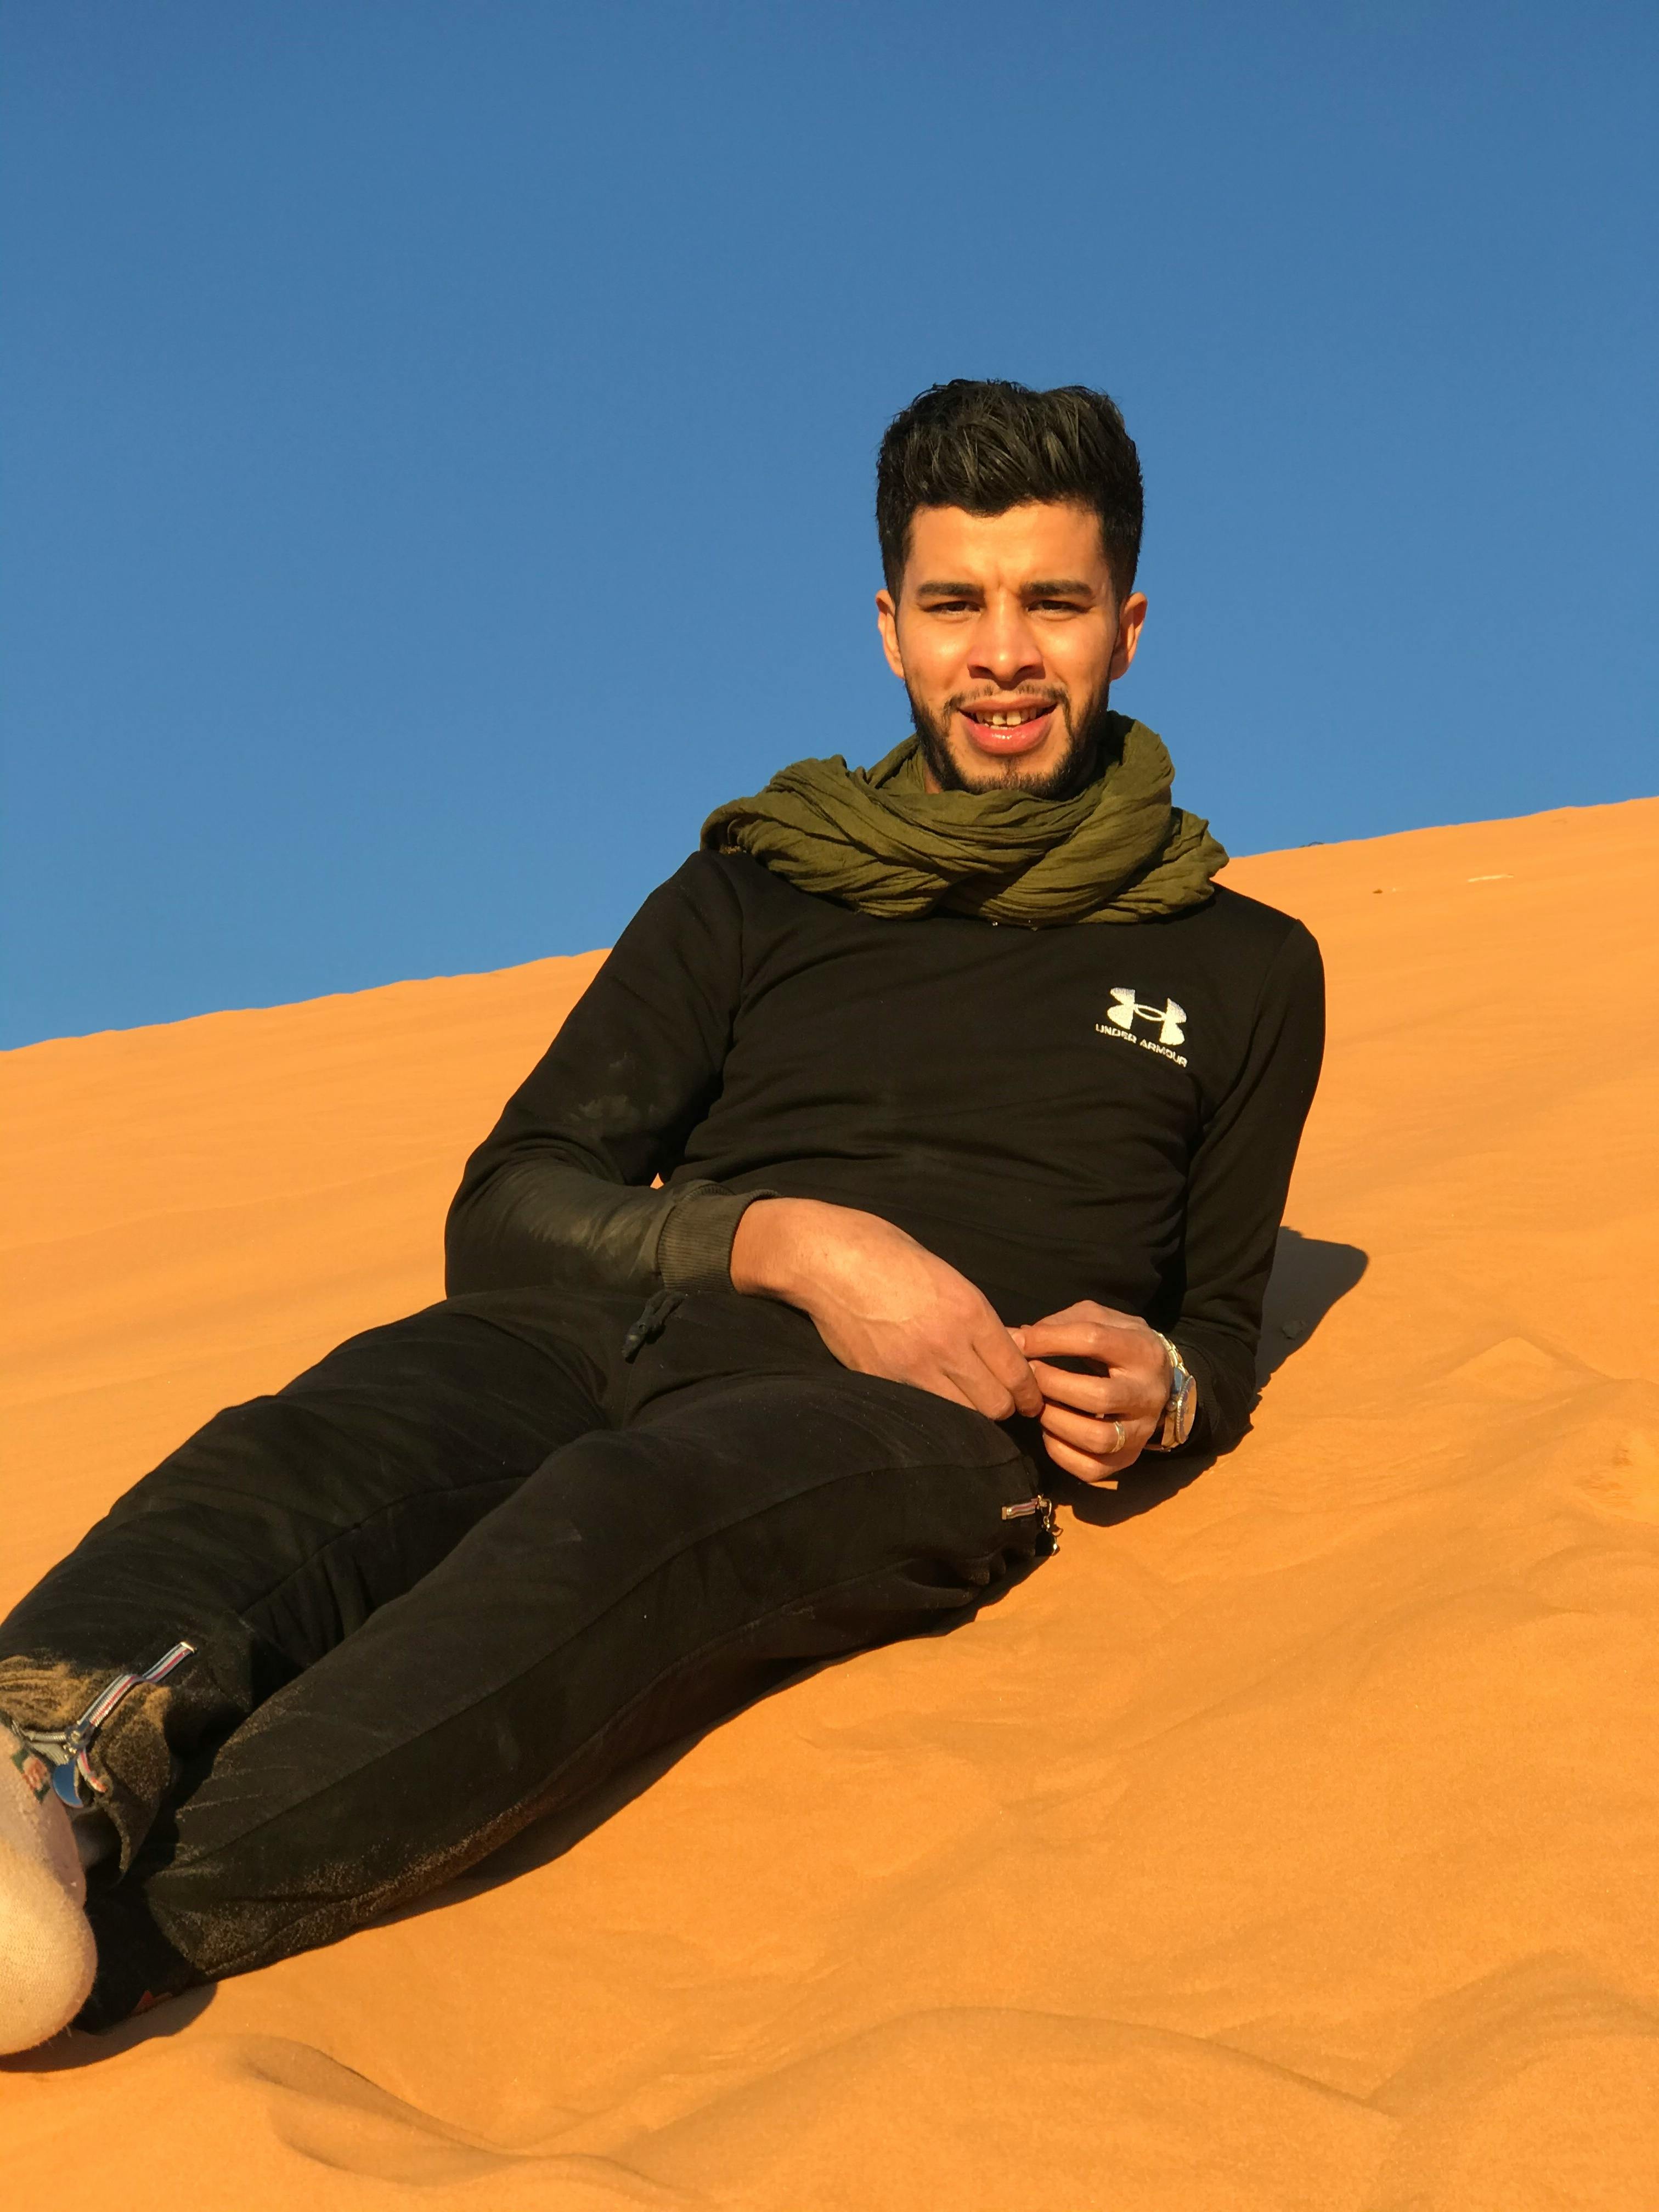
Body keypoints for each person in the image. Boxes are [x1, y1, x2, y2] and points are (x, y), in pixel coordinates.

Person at [0, 380, 1323, 2052]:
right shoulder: (755, 888)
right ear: (890, 630)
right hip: (595, 1327)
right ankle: (27, 1779)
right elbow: (513, 1201)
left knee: (621, 1533)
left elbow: (1217, 1326)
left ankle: (110, 1933)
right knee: (307, 1453)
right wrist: (800, 1244)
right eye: (955, 605)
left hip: (906, 1412)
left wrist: (1168, 1388)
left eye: (1051, 604)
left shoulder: (1243, 965)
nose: (1003, 655)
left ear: (1125, 627)